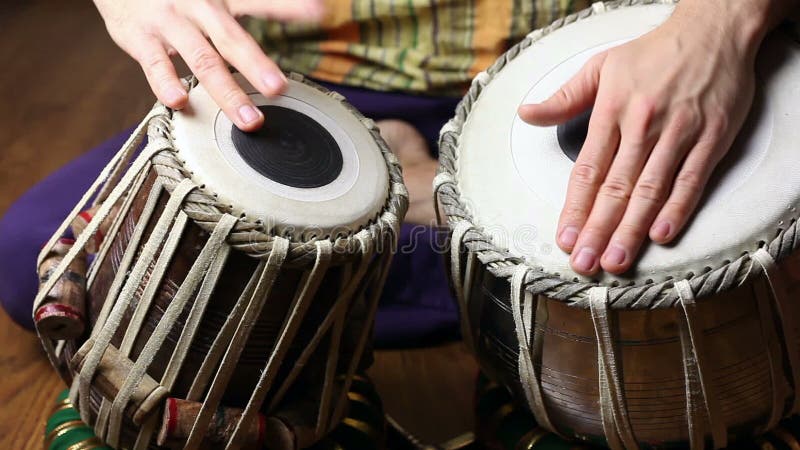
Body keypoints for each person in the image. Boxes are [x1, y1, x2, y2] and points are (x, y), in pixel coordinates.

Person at [0, 0, 796, 343]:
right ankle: (459, 245)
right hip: (327, 94)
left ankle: (368, 254)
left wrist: (718, 21)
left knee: (752, 244)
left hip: (610, 73)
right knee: (44, 255)